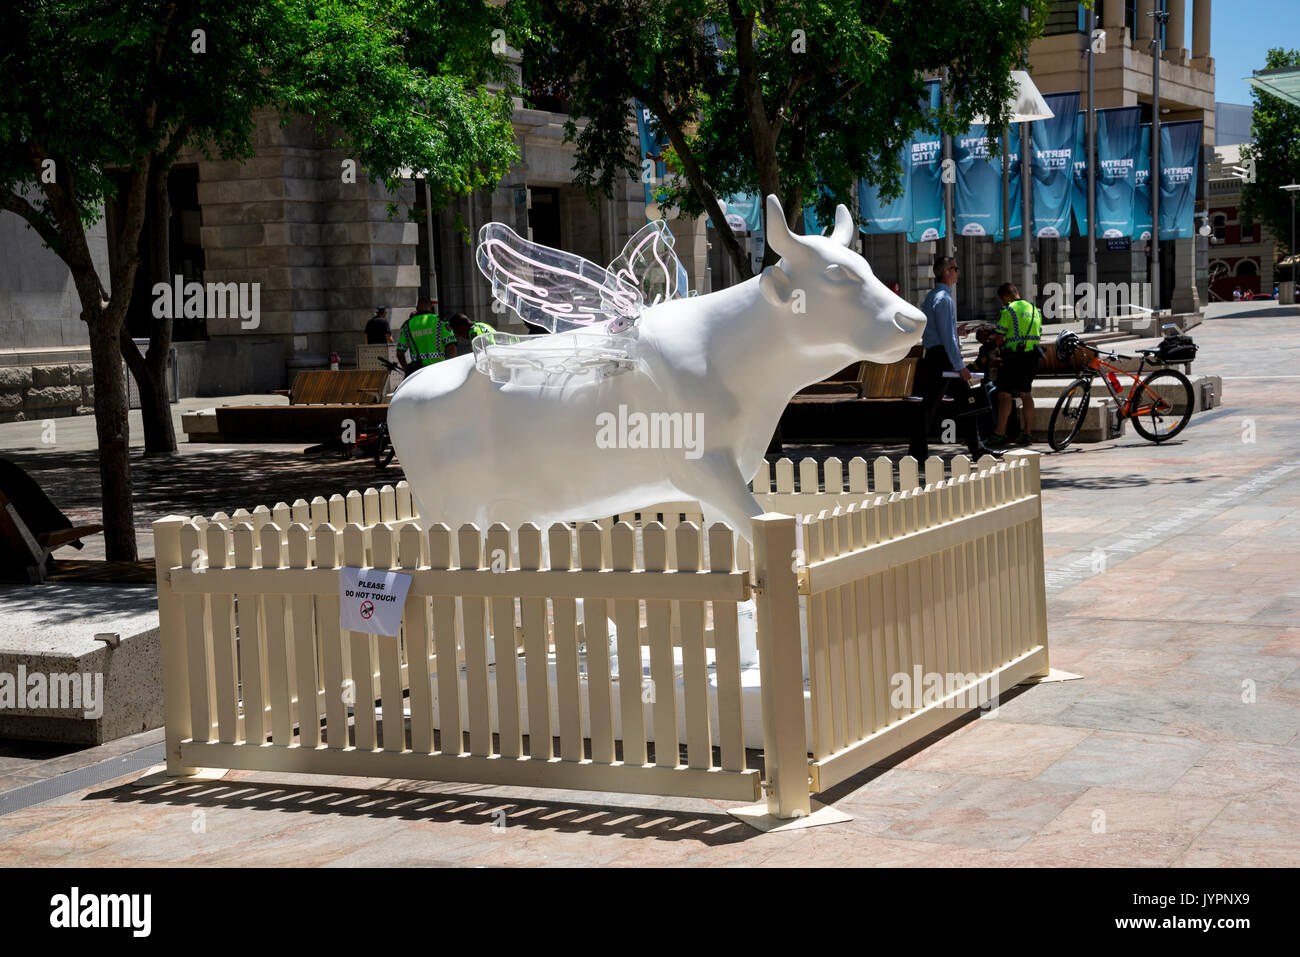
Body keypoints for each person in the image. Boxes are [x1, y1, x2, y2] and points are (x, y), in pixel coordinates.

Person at [908, 257, 998, 462]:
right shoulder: (943, 299)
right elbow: (946, 338)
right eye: (955, 269)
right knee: (930, 407)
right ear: (947, 272)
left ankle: (977, 448)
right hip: (942, 357)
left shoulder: (933, 296)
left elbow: (940, 332)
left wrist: (956, 331)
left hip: (937, 355)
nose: (958, 272)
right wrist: (960, 366)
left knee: (961, 402)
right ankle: (918, 454)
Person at [987, 282, 1043, 449]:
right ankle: (1026, 433)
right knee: (1026, 394)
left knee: (1004, 394)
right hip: (1033, 356)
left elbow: (999, 338)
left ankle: (999, 434)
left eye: (1002, 300)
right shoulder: (1034, 310)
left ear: (1006, 296)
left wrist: (993, 344)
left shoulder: (1008, 310)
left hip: (1014, 357)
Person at [395, 299, 457, 373]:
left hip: (418, 372)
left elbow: (400, 353)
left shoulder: (407, 325)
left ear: (417, 308)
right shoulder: (441, 322)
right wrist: (451, 367)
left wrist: (406, 369)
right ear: (431, 308)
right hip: (439, 370)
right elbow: (452, 347)